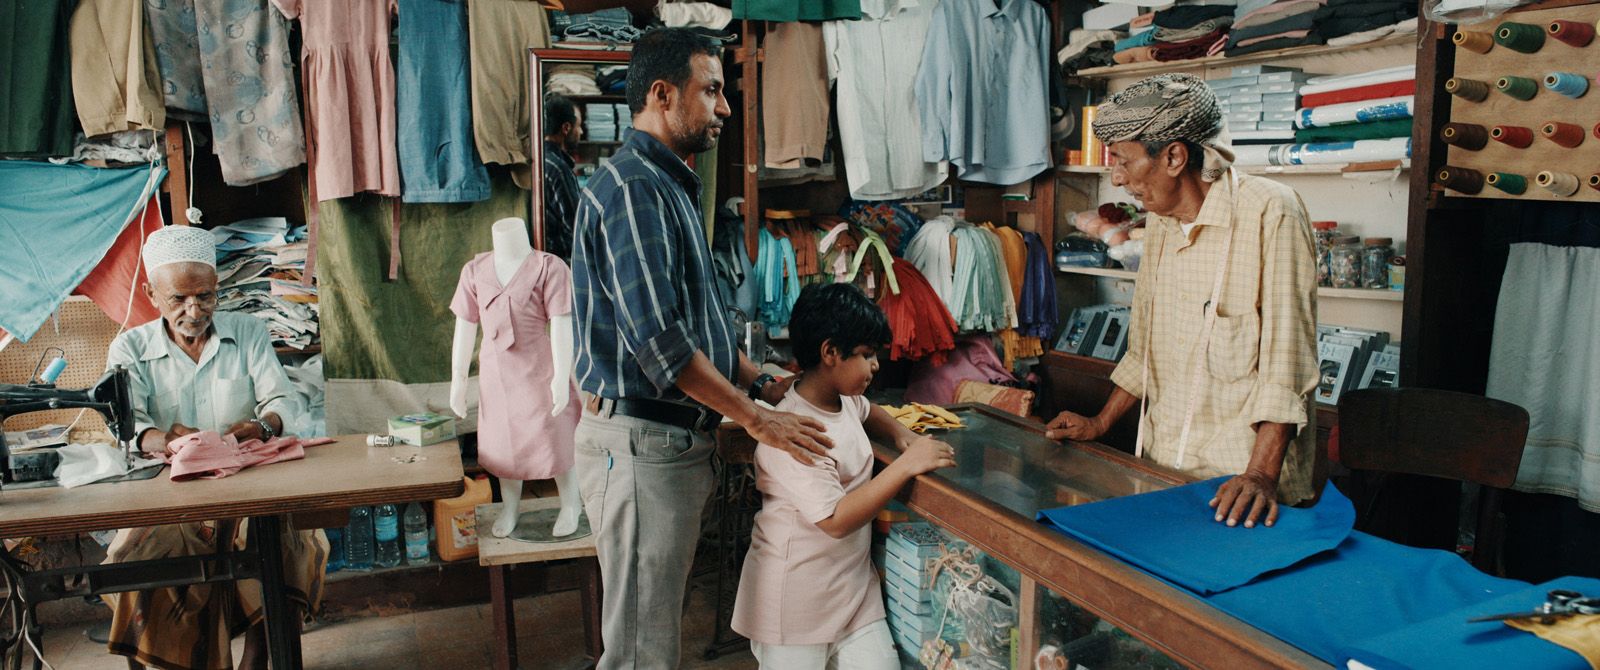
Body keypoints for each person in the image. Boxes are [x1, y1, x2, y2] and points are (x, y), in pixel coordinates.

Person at [568, 27, 834, 669]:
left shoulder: (669, 185)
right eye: (711, 90)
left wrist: (758, 377)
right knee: (638, 654)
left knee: (650, 638)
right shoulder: (635, 188)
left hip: (663, 446)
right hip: (641, 449)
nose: (724, 107)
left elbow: (695, 324)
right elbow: (660, 343)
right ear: (662, 94)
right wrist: (755, 417)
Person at [1045, 73, 1320, 529]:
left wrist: (1259, 474)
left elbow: (1287, 362)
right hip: (1163, 470)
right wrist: (1100, 422)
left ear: (1174, 155)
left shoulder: (1271, 210)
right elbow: (1145, 350)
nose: (1116, 179)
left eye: (1123, 162)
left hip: (1242, 488)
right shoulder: (1160, 223)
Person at [102, 225, 327, 670]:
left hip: (247, 483)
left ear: (217, 287)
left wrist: (258, 427)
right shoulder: (129, 349)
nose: (194, 309)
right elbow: (126, 427)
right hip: (172, 490)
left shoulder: (247, 332)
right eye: (178, 299)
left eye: (205, 296)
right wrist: (166, 441)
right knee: (135, 560)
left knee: (287, 540)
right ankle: (182, 660)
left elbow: (282, 401)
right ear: (151, 294)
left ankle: (260, 655)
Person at [732, 283, 956, 669]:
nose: (875, 365)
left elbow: (868, 410)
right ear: (830, 352)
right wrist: (906, 466)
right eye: (867, 355)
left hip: (852, 593)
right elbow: (835, 520)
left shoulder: (844, 397)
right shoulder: (796, 430)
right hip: (796, 600)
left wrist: (902, 434)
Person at [542, 94, 583, 261]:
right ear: (566, 128)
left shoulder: (539, 159)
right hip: (563, 263)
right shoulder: (558, 169)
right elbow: (577, 226)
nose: (581, 131)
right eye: (578, 126)